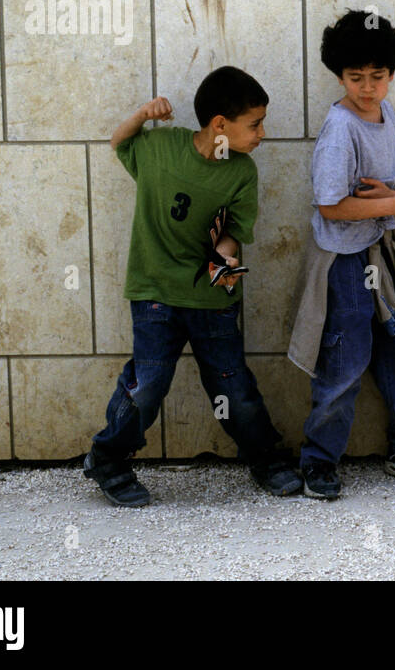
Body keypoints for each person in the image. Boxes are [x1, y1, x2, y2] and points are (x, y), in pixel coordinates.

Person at [83, 66, 302, 506]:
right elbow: (118, 142)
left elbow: (235, 228)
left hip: (212, 299)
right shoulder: (161, 147)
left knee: (232, 386)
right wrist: (143, 114)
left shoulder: (242, 173)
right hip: (154, 294)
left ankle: (265, 457)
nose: (263, 134)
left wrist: (224, 255)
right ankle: (109, 459)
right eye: (255, 124)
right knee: (148, 383)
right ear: (220, 124)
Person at [295, 9, 395, 499]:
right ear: (339, 76)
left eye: (377, 76)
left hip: (381, 256)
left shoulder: (386, 116)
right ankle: (318, 462)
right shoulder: (340, 128)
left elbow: (393, 178)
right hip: (345, 262)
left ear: (391, 73)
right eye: (355, 77)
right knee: (346, 360)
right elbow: (329, 204)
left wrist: (387, 197)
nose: (367, 87)